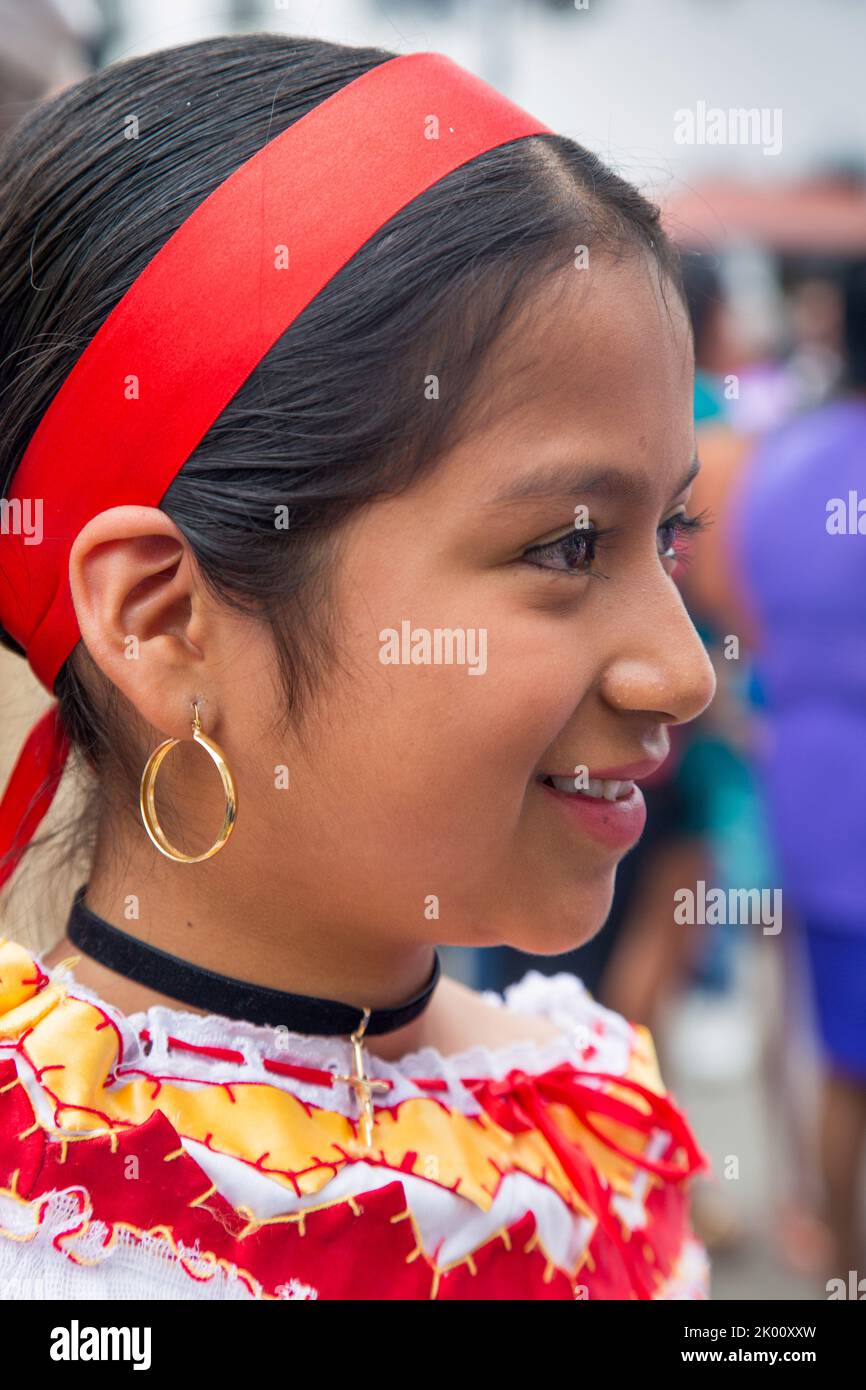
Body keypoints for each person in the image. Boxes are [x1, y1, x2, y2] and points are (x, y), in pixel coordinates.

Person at [0, 33, 716, 1301]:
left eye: (671, 532)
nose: (680, 671)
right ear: (165, 620)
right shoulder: (49, 1235)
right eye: (565, 545)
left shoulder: (590, 1118)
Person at [729, 257, 866, 1284]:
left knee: (841, 1052)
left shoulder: (779, 461)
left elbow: (747, 608)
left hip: (813, 781)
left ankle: (836, 1265)